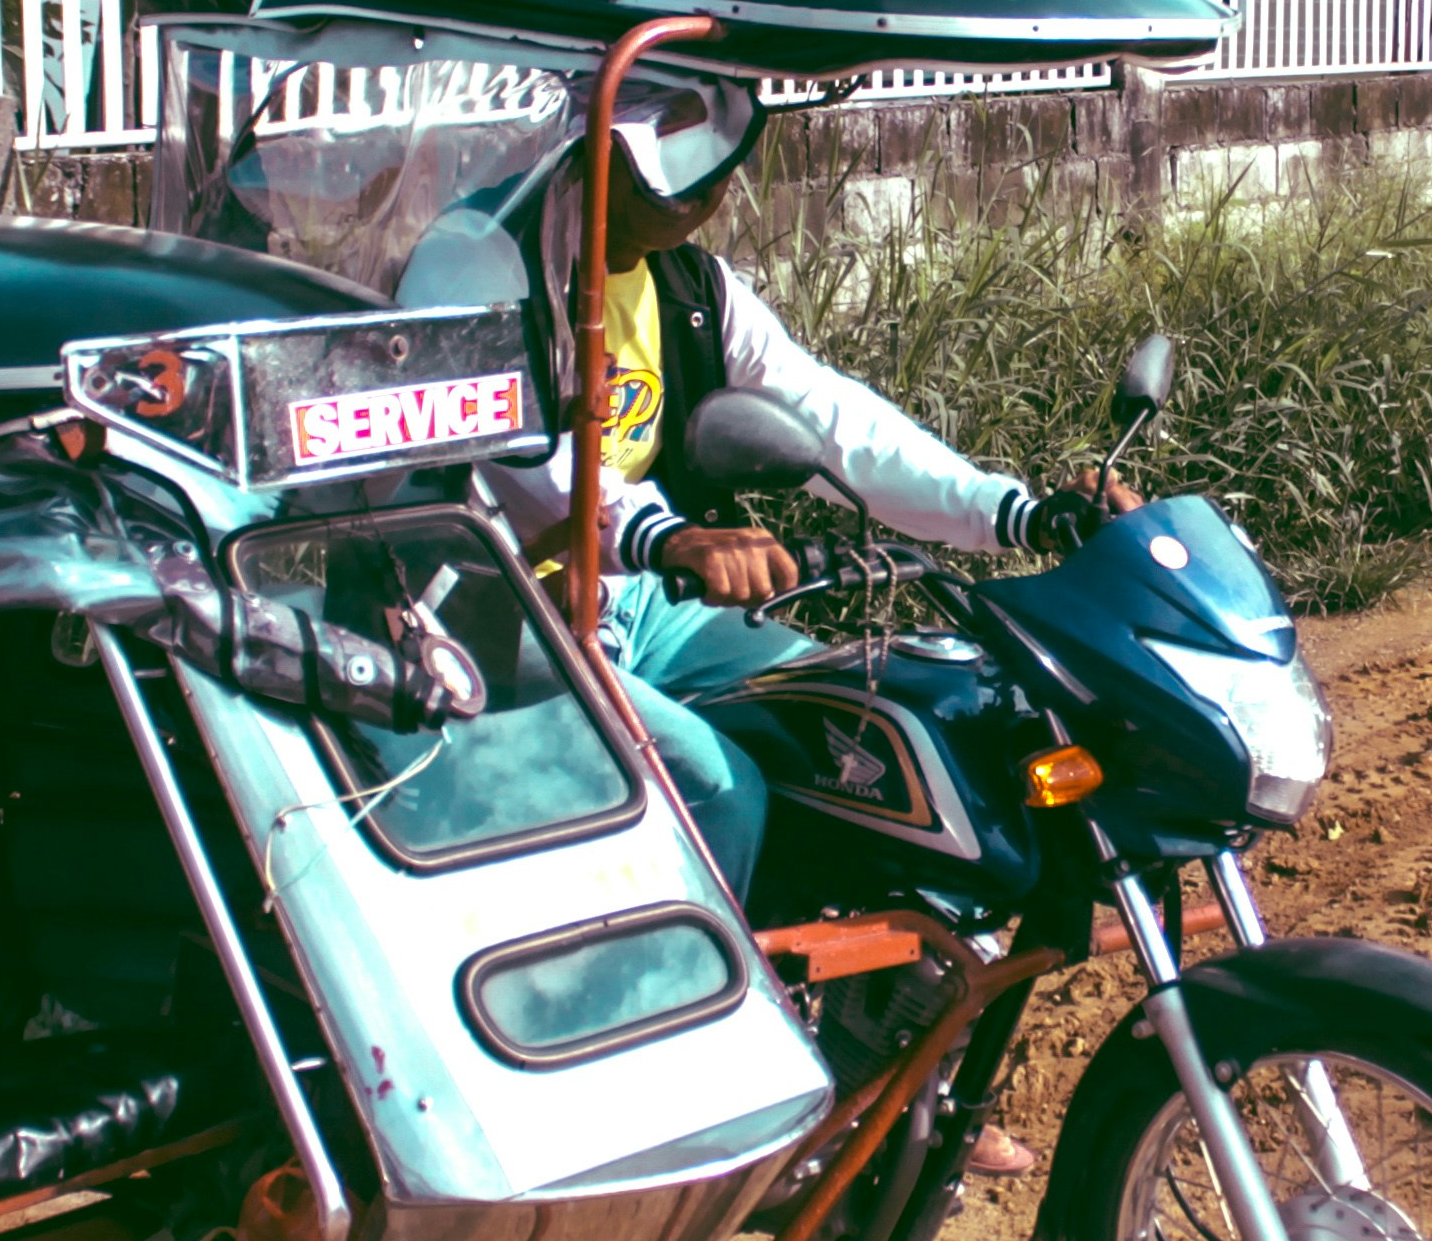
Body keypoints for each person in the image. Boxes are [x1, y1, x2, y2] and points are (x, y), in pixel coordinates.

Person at [480, 76, 1127, 1172]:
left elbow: (833, 421)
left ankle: (883, 1077)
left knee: (882, 731)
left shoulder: (692, 289)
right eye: (655, 181)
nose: (690, 207)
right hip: (499, 611)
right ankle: (677, 1117)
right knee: (713, 787)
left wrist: (1006, 507)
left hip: (641, 600)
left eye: (702, 185)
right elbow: (506, 437)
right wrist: (657, 533)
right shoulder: (488, 265)